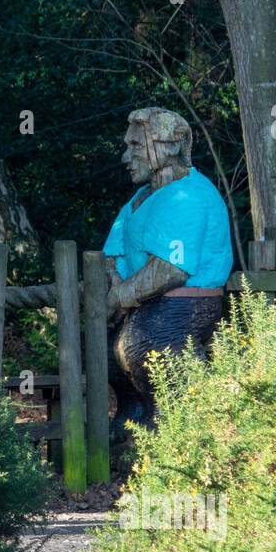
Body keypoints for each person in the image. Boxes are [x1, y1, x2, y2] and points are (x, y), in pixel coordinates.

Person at [102, 107, 233, 431]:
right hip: (142, 301)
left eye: (135, 146)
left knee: (144, 346)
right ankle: (132, 419)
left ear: (172, 145)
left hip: (185, 301)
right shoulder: (140, 197)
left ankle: (175, 431)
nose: (125, 157)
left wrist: (118, 297)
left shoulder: (189, 195)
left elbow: (171, 269)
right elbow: (111, 253)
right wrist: (116, 285)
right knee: (104, 351)